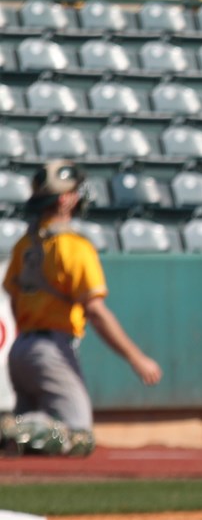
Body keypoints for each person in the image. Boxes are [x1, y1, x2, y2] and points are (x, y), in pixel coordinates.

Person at [2, 161, 162, 457]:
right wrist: (136, 358)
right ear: (65, 199)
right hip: (52, 347)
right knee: (78, 436)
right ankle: (7, 428)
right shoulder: (73, 246)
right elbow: (96, 311)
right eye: (74, 191)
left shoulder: (25, 244)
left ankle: (16, 434)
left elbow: (13, 296)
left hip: (21, 347)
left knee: (29, 445)